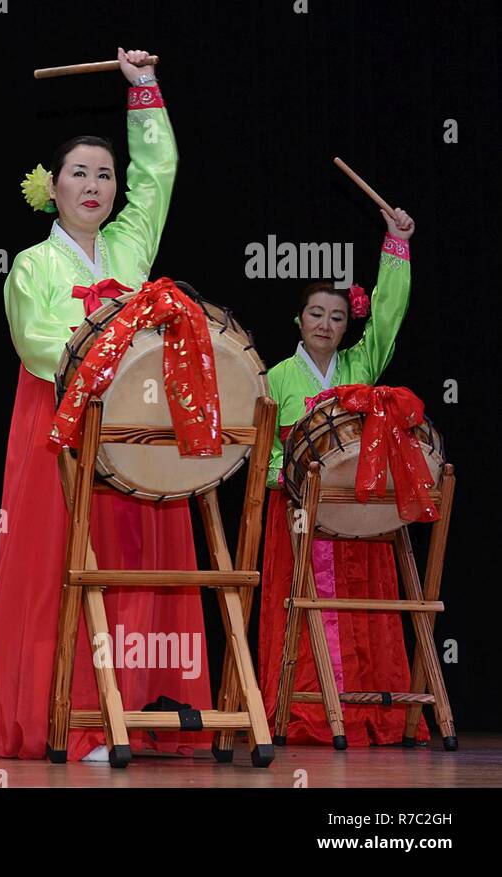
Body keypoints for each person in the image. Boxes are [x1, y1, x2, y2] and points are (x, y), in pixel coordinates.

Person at [0, 49, 212, 762]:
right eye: (78, 173)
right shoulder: (34, 265)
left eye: (105, 174)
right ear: (50, 188)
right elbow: (38, 345)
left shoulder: (128, 246)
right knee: (59, 568)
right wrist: (110, 350)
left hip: (134, 431)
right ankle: (71, 718)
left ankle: (141, 710)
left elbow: (160, 176)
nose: (95, 184)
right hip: (57, 427)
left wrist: (143, 90)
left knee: (136, 563)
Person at [258, 207, 429, 746]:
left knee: (360, 617)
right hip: (298, 518)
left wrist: (395, 246)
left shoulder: (361, 367)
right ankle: (298, 711)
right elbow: (261, 457)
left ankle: (362, 714)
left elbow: (388, 316)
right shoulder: (276, 377)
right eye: (315, 313)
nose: (325, 324)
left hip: (358, 519)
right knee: (297, 618)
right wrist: (290, 478)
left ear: (346, 323)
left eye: (335, 316)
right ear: (298, 319)